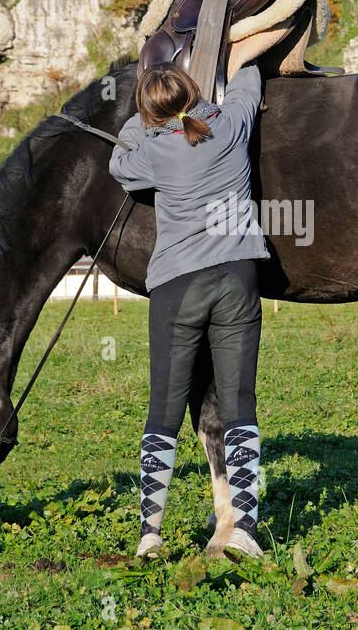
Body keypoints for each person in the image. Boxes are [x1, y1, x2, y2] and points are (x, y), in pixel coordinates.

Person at [109, 62, 268, 560]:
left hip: (178, 285)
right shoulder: (231, 123)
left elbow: (119, 161)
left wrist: (147, 119)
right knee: (240, 405)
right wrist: (208, 95)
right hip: (240, 277)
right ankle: (245, 527)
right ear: (194, 94)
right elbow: (249, 82)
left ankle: (149, 535)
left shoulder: (153, 149)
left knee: (164, 412)